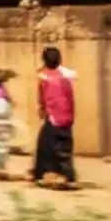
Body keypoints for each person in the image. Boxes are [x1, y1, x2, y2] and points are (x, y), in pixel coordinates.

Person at [33, 46, 76, 188]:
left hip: (54, 117)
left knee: (45, 145)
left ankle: (46, 173)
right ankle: (67, 174)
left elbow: (43, 98)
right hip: (67, 117)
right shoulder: (65, 77)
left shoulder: (43, 76)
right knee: (64, 146)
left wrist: (42, 110)